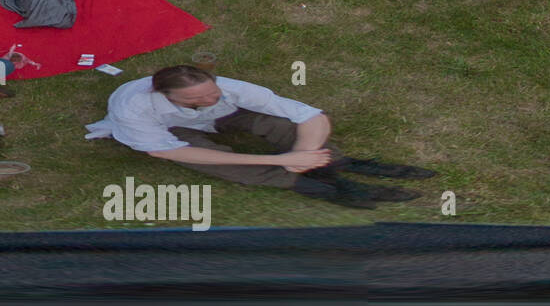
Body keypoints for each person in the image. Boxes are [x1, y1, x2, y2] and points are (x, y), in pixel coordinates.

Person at [90, 64, 433, 207]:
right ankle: (317, 187)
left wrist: (304, 152)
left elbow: (311, 115)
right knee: (225, 163)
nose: (212, 99)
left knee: (283, 126)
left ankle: (343, 164)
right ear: (168, 96)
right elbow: (169, 152)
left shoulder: (227, 91)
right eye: (199, 99)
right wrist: (279, 161)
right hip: (172, 132)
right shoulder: (133, 110)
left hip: (222, 121)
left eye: (212, 92)